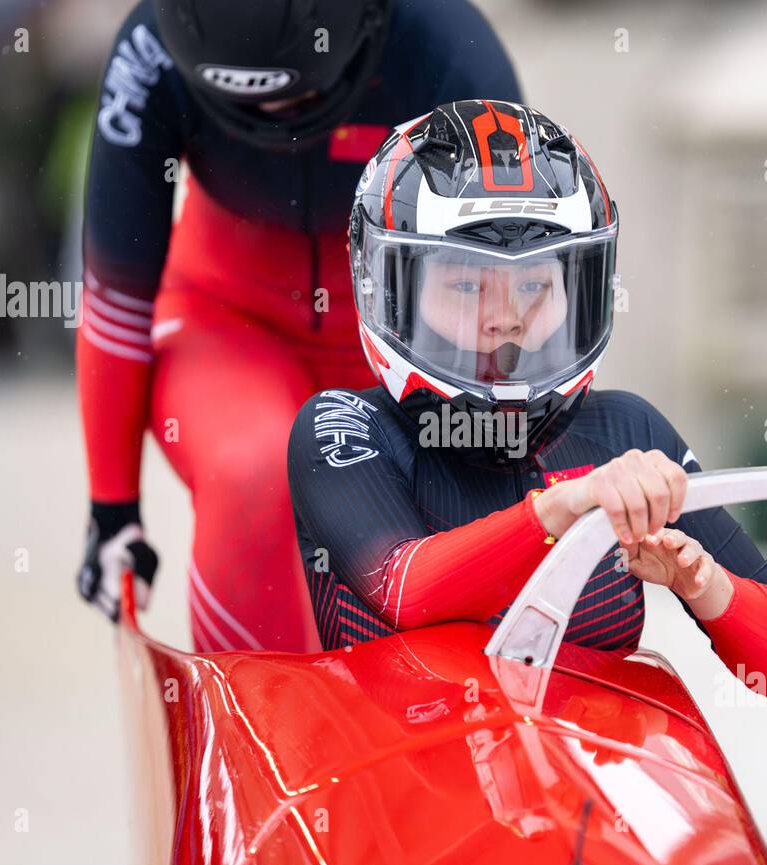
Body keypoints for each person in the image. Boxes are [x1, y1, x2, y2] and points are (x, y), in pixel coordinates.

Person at [287, 99, 767, 699]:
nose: (508, 320)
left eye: (537, 284)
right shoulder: (342, 426)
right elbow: (406, 590)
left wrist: (703, 582)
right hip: (402, 775)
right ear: (385, 288)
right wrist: (564, 507)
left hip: (580, 780)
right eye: (466, 284)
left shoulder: (627, 433)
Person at [74, 1, 520, 653]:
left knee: (444, 507)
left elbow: (510, 295)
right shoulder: (147, 53)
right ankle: (261, 724)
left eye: (298, 95)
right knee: (252, 471)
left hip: (401, 339)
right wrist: (113, 509)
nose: (274, 124)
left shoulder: (451, 51)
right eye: (246, 112)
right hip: (222, 319)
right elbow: (117, 292)